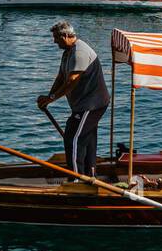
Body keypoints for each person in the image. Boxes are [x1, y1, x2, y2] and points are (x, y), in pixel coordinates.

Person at [37, 21, 109, 179]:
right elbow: (61, 77)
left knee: (73, 138)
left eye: (56, 37)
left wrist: (51, 98)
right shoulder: (68, 52)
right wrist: (47, 98)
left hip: (92, 104)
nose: (54, 41)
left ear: (65, 36)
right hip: (84, 105)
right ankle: (90, 176)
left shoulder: (79, 52)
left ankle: (76, 179)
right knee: (87, 138)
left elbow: (71, 81)